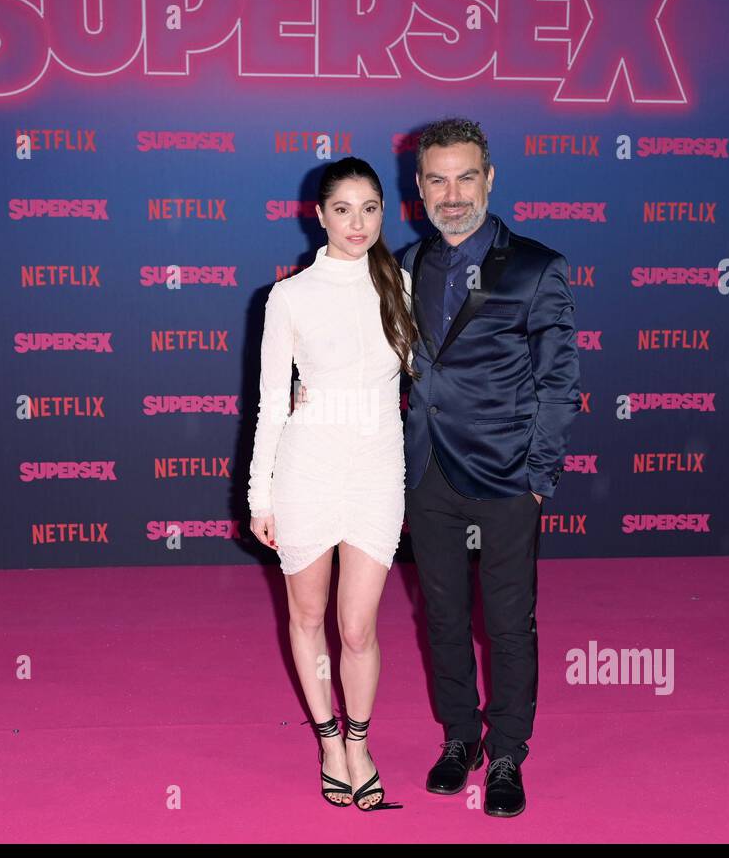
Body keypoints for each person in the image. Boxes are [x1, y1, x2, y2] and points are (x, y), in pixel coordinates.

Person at [402, 118, 581, 817]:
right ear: (417, 187)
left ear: (490, 179)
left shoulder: (536, 266)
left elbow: (559, 383)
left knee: (508, 623)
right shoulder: (404, 265)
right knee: (441, 616)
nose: (453, 194)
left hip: (509, 475)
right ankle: (459, 737)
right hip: (427, 473)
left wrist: (539, 479)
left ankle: (507, 749)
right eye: (437, 179)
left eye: (465, 176)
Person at [247, 157, 417, 810]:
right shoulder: (288, 297)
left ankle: (360, 739)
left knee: (357, 627)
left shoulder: (401, 287)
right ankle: (328, 741)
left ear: (383, 212)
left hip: (376, 471)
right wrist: (258, 495)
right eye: (342, 209)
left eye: (369, 208)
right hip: (307, 469)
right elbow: (269, 405)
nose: (357, 222)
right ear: (318, 216)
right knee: (308, 615)